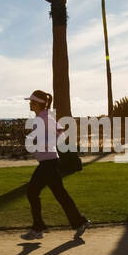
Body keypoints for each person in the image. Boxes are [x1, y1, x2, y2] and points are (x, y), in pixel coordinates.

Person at [23, 89, 88, 240]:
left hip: (48, 163)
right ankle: (80, 222)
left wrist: (42, 143)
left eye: (32, 102)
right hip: (48, 162)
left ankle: (38, 228)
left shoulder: (45, 117)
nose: (30, 104)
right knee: (60, 194)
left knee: (32, 192)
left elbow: (61, 135)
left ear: (38, 103)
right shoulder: (42, 117)